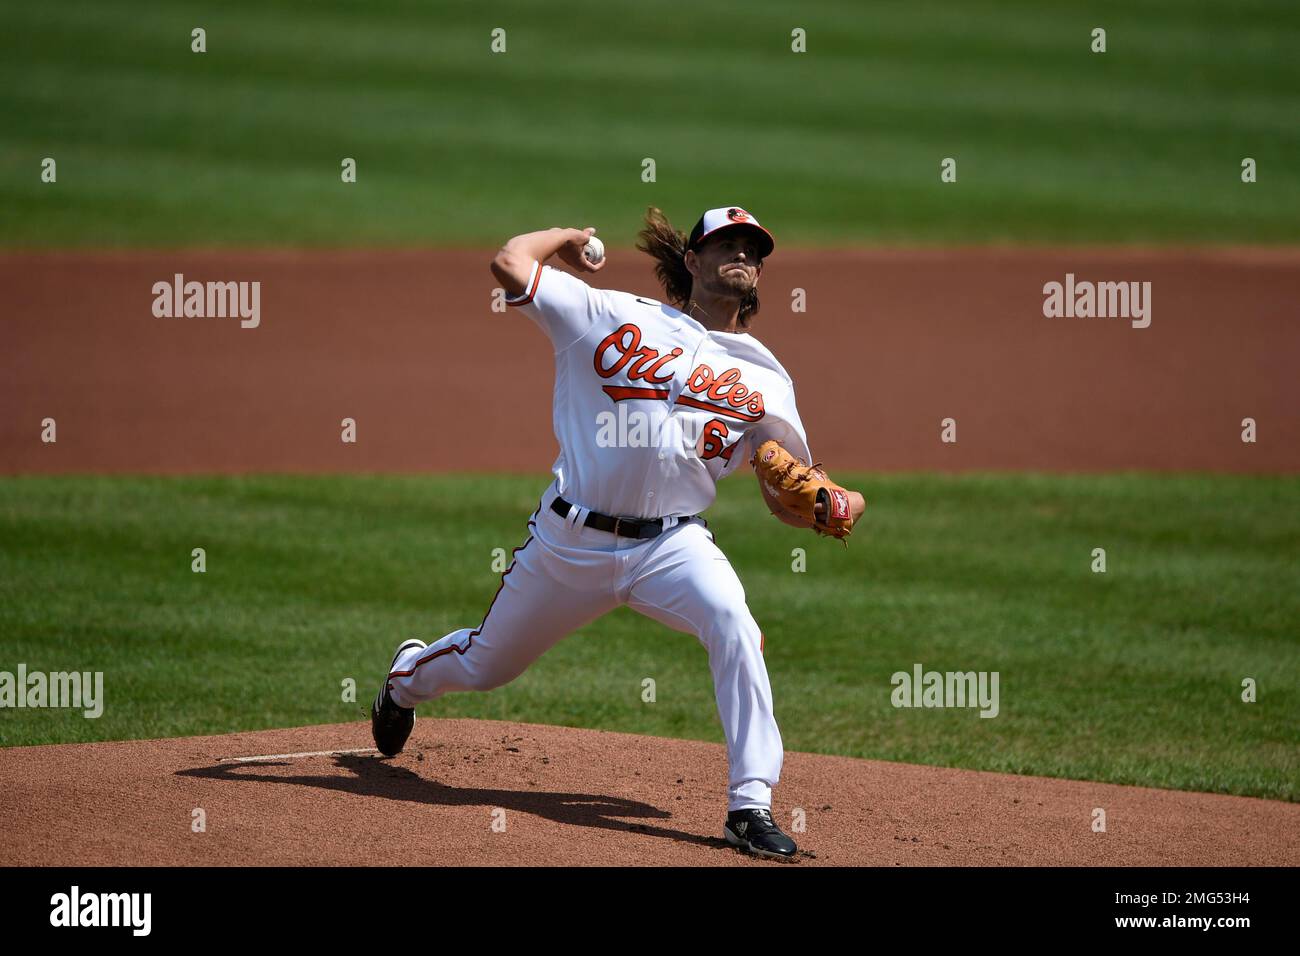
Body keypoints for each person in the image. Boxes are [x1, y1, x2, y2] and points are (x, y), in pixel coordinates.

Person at [372, 206, 865, 861]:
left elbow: (783, 490)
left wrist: (817, 497)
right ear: (691, 262)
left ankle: (750, 805)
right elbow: (511, 262)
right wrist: (567, 238)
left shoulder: (767, 376)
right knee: (486, 665)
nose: (740, 254)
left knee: (734, 621)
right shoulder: (610, 314)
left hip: (671, 546)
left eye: (752, 247)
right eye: (724, 245)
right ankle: (405, 678)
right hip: (568, 542)